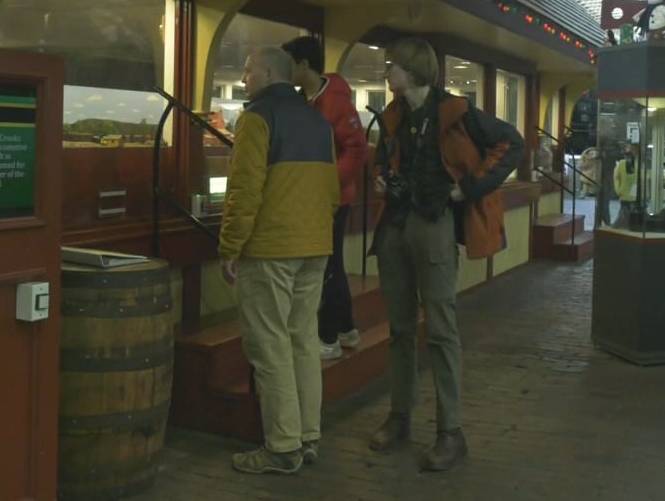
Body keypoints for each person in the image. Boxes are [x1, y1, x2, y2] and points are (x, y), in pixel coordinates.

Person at [367, 37, 523, 472]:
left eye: (392, 64)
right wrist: (382, 178)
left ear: (414, 69)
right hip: (396, 226)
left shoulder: (456, 111)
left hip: (433, 224)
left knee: (440, 330)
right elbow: (381, 160)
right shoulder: (395, 115)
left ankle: (450, 432)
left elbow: (511, 143)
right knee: (398, 329)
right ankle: (401, 418)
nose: (387, 70)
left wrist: (468, 188)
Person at [218, 46, 340, 474]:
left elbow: (245, 190)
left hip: (270, 249)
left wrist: (231, 246)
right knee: (303, 342)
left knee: (269, 347)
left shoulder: (256, 118)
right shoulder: (318, 120)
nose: (245, 77)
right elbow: (332, 192)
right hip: (315, 246)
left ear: (268, 73)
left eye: (248, 71)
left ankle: (282, 448)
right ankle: (307, 437)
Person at [281, 35, 369, 360]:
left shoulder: (335, 101)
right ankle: (347, 329)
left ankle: (328, 337)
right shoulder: (305, 100)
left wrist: (328, 185)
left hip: (333, 200)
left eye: (288, 64)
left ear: (304, 65)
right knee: (334, 264)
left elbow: (357, 149)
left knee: (327, 267)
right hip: (313, 199)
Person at [612, 143, 639, 227]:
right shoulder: (621, 164)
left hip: (634, 193)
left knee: (632, 211)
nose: (628, 158)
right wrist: (618, 190)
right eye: (626, 156)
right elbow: (616, 178)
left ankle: (628, 225)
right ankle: (620, 225)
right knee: (624, 210)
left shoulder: (637, 164)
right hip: (624, 192)